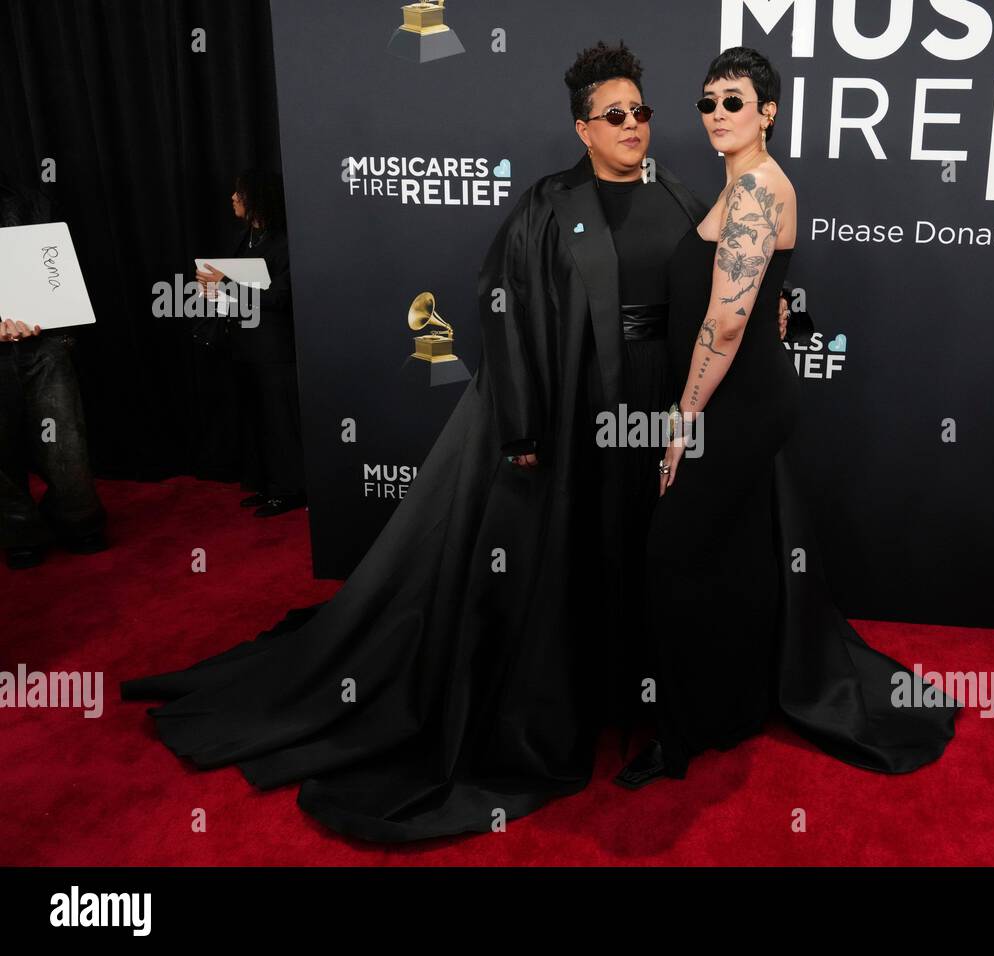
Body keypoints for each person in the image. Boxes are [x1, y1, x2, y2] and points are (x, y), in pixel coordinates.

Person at [120, 41, 794, 842]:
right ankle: (582, 699)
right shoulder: (549, 206)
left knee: (650, 554)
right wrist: (523, 425)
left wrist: (759, 339)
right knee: (582, 557)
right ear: (582, 128)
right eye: (615, 115)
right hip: (582, 415)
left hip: (661, 407)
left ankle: (642, 695)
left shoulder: (684, 194)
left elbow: (731, 297)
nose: (634, 126)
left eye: (642, 111)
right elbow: (503, 312)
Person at [614, 47, 961, 788]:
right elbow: (762, 298)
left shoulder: (756, 194)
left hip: (734, 405)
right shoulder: (740, 186)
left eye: (733, 102)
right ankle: (729, 709)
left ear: (767, 111)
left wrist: (682, 420)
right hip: (738, 398)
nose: (716, 115)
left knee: (670, 556)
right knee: (732, 554)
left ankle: (681, 735)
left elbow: (729, 323)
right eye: (707, 102)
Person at [0, 175, 108, 569]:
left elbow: (54, 270)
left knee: (64, 438)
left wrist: (40, 314)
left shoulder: (29, 198)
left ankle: (79, 522)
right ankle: (19, 532)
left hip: (44, 341)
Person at [196, 169, 306, 517]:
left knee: (279, 423)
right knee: (256, 421)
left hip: (275, 351)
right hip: (244, 346)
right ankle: (266, 484)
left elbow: (281, 296)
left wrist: (225, 283)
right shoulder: (244, 238)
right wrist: (212, 289)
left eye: (239, 193)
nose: (232, 198)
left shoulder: (287, 241)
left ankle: (290, 490)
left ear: (258, 198)